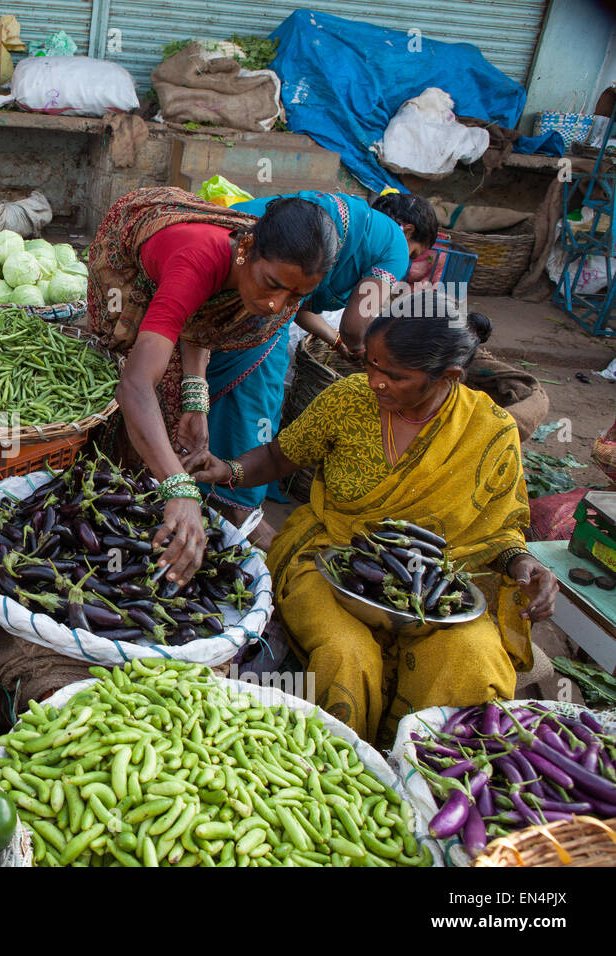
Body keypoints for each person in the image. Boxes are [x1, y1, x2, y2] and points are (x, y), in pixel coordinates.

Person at [191, 291, 559, 745]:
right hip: (330, 558)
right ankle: (346, 764)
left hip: (434, 586)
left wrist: (525, 566)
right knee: (347, 655)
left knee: (473, 658)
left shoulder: (489, 430)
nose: (375, 382)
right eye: (372, 364)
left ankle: (425, 771)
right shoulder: (348, 399)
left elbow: (501, 530)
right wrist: (230, 471)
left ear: (449, 376)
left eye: (395, 376)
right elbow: (278, 455)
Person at [88, 187, 339, 584]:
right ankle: (117, 481)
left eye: (295, 295)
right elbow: (134, 386)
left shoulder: (252, 274)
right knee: (142, 384)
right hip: (135, 261)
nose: (277, 305)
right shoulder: (194, 264)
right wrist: (178, 488)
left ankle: (149, 502)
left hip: (197, 276)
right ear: (248, 248)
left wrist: (196, 399)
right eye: (272, 283)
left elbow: (202, 321)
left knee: (174, 405)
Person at [199, 190, 439, 521]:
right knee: (257, 397)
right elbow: (357, 326)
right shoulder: (395, 246)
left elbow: (298, 308)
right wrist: (367, 354)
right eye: (416, 253)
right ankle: (237, 508)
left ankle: (201, 478)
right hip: (255, 285)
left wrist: (338, 344)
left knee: (204, 385)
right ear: (409, 232)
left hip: (225, 249)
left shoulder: (349, 222)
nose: (408, 261)